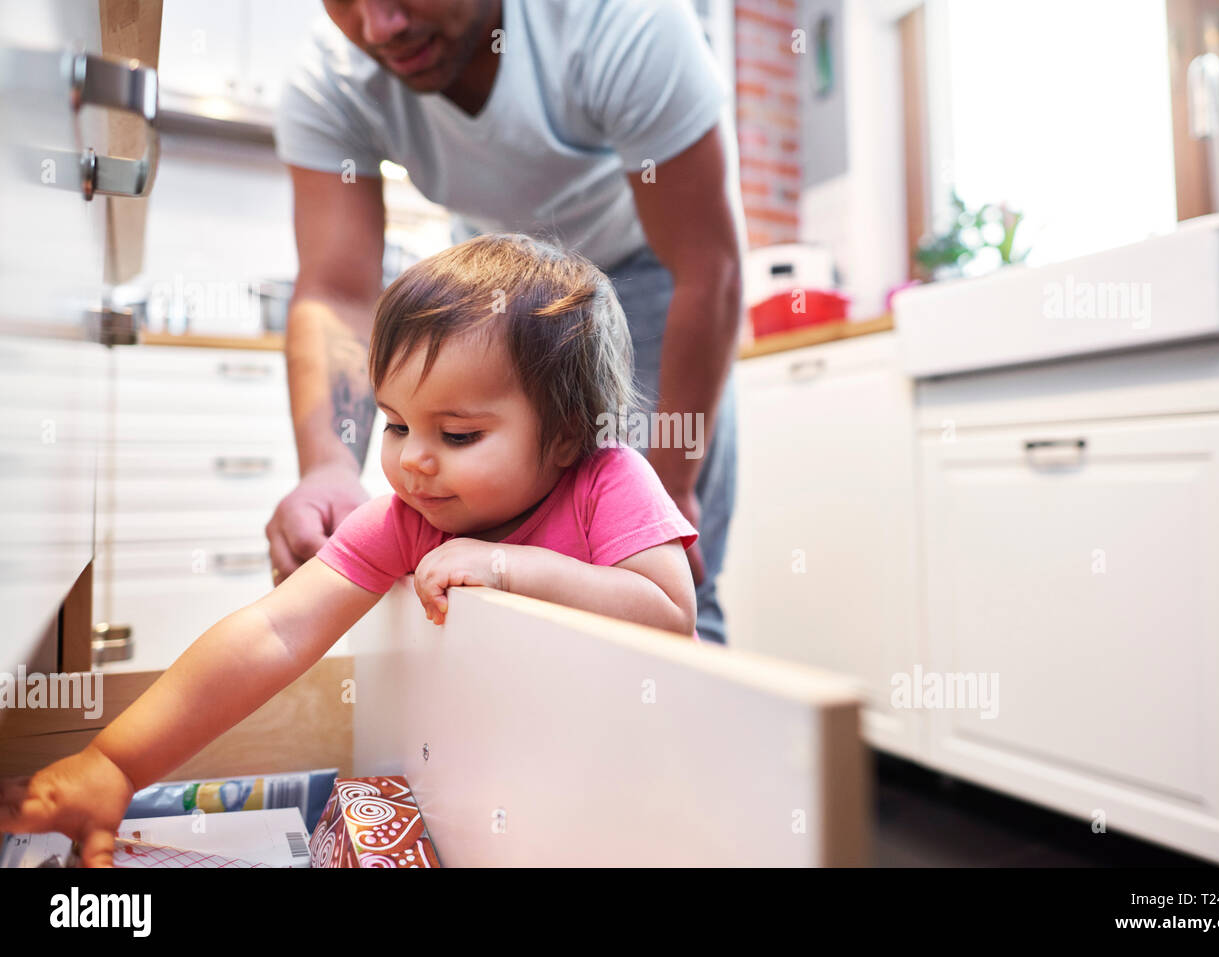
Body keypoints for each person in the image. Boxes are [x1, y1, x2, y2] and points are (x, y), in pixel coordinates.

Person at [0, 233, 701, 867]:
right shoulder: (407, 517)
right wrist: (116, 762)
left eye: (457, 435)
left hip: (635, 789)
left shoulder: (608, 479)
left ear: (568, 435)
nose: (414, 461)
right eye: (396, 425)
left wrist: (506, 567)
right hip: (517, 799)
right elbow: (275, 629)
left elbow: (670, 615)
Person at [264, 0, 744, 644]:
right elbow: (336, 291)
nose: (378, 27)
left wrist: (670, 487)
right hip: (506, 299)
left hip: (651, 274)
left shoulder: (625, 21)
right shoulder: (333, 76)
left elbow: (707, 269)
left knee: (668, 574)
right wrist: (327, 466)